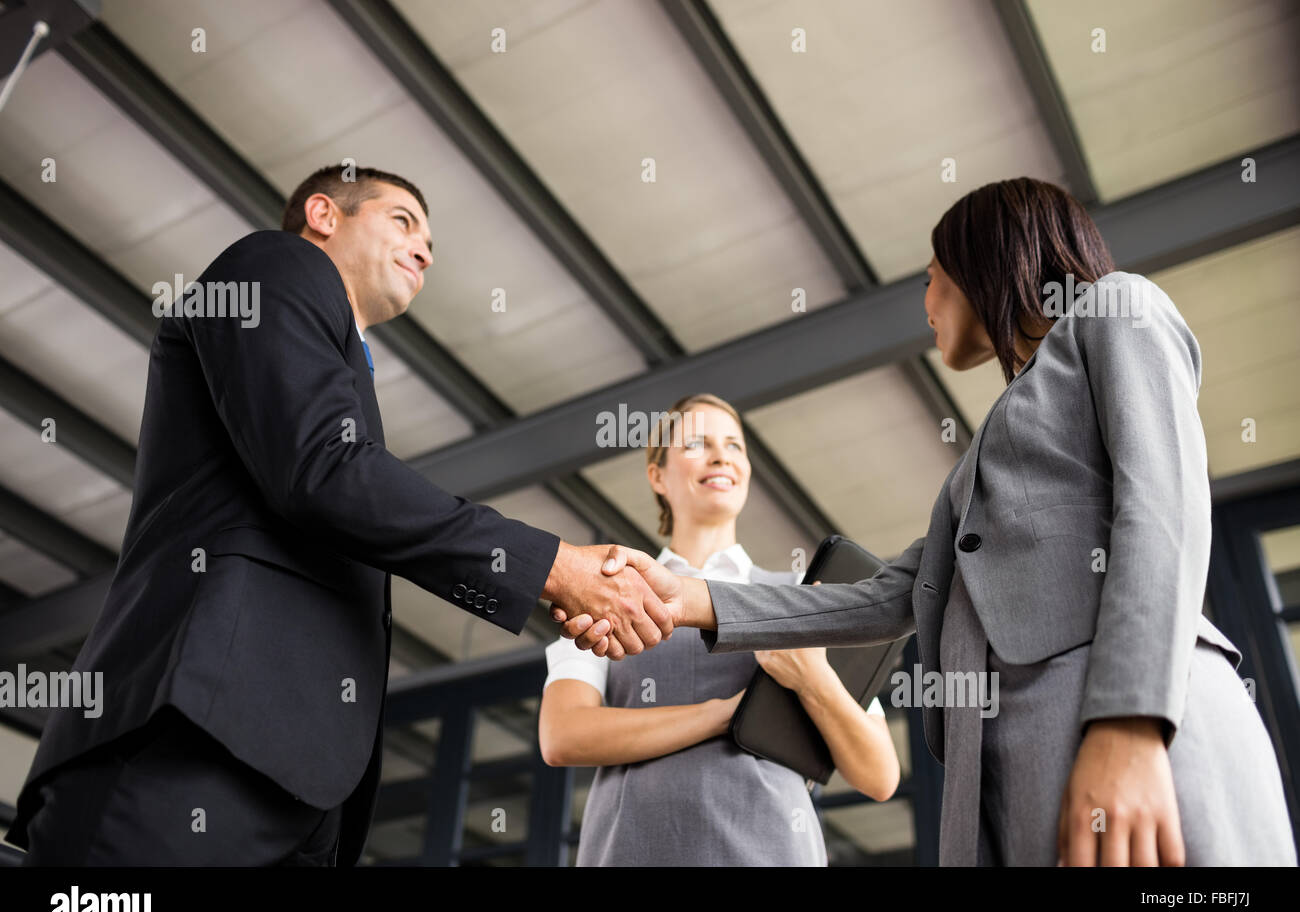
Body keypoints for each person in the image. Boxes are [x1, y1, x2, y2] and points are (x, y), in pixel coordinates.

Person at [556, 178, 1298, 866]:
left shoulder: (1117, 311)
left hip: (1136, 728)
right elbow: (878, 599)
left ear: (983, 264)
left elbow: (1165, 510)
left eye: (931, 278)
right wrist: (685, 600)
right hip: (1021, 769)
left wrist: (1131, 726)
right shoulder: (972, 473)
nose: (926, 301)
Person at [6, 164, 672, 866]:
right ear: (325, 214)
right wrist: (553, 567)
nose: (425, 250)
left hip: (298, 790)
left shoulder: (345, 364)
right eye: (403, 221)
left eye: (431, 242)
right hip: (198, 738)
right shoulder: (275, 264)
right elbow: (324, 471)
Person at [540, 394, 899, 865]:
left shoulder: (803, 595)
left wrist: (813, 678)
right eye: (697, 443)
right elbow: (565, 735)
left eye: (734, 445)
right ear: (657, 476)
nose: (721, 456)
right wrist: (726, 714)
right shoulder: (609, 590)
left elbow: (879, 774)